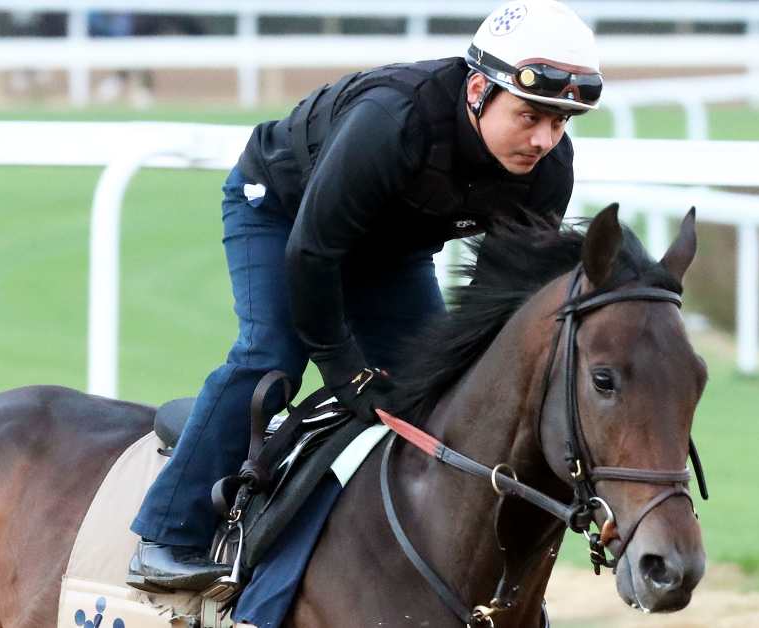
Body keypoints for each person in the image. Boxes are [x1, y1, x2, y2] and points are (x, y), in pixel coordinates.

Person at [127, 0, 603, 605]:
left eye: (561, 122)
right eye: (531, 116)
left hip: (388, 250)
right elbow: (312, 255)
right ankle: (167, 533)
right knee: (270, 355)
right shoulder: (393, 119)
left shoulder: (547, 167)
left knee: (437, 390)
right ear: (479, 89)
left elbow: (497, 309)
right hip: (281, 211)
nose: (544, 139)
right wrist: (346, 369)